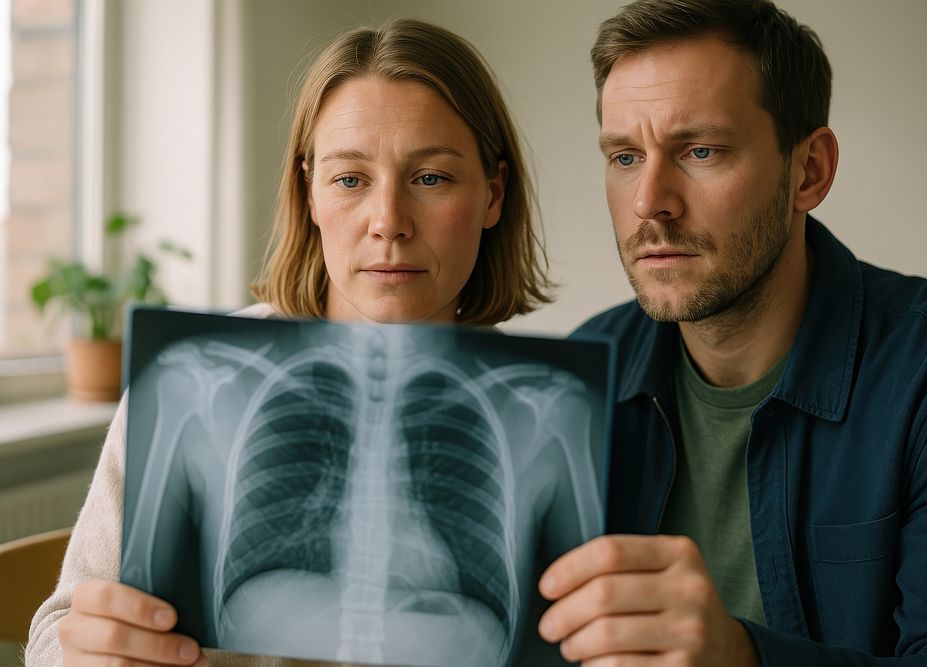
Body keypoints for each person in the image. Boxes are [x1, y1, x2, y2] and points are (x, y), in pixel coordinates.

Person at [26, 18, 562, 666]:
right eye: (350, 179)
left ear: (492, 194)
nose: (388, 222)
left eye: (431, 178)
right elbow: (57, 629)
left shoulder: (544, 409)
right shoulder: (198, 378)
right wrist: (87, 654)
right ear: (309, 191)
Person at [536, 0, 927, 665]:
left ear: (808, 171)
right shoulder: (580, 377)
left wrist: (742, 656)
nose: (649, 202)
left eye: (700, 149)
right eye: (626, 156)